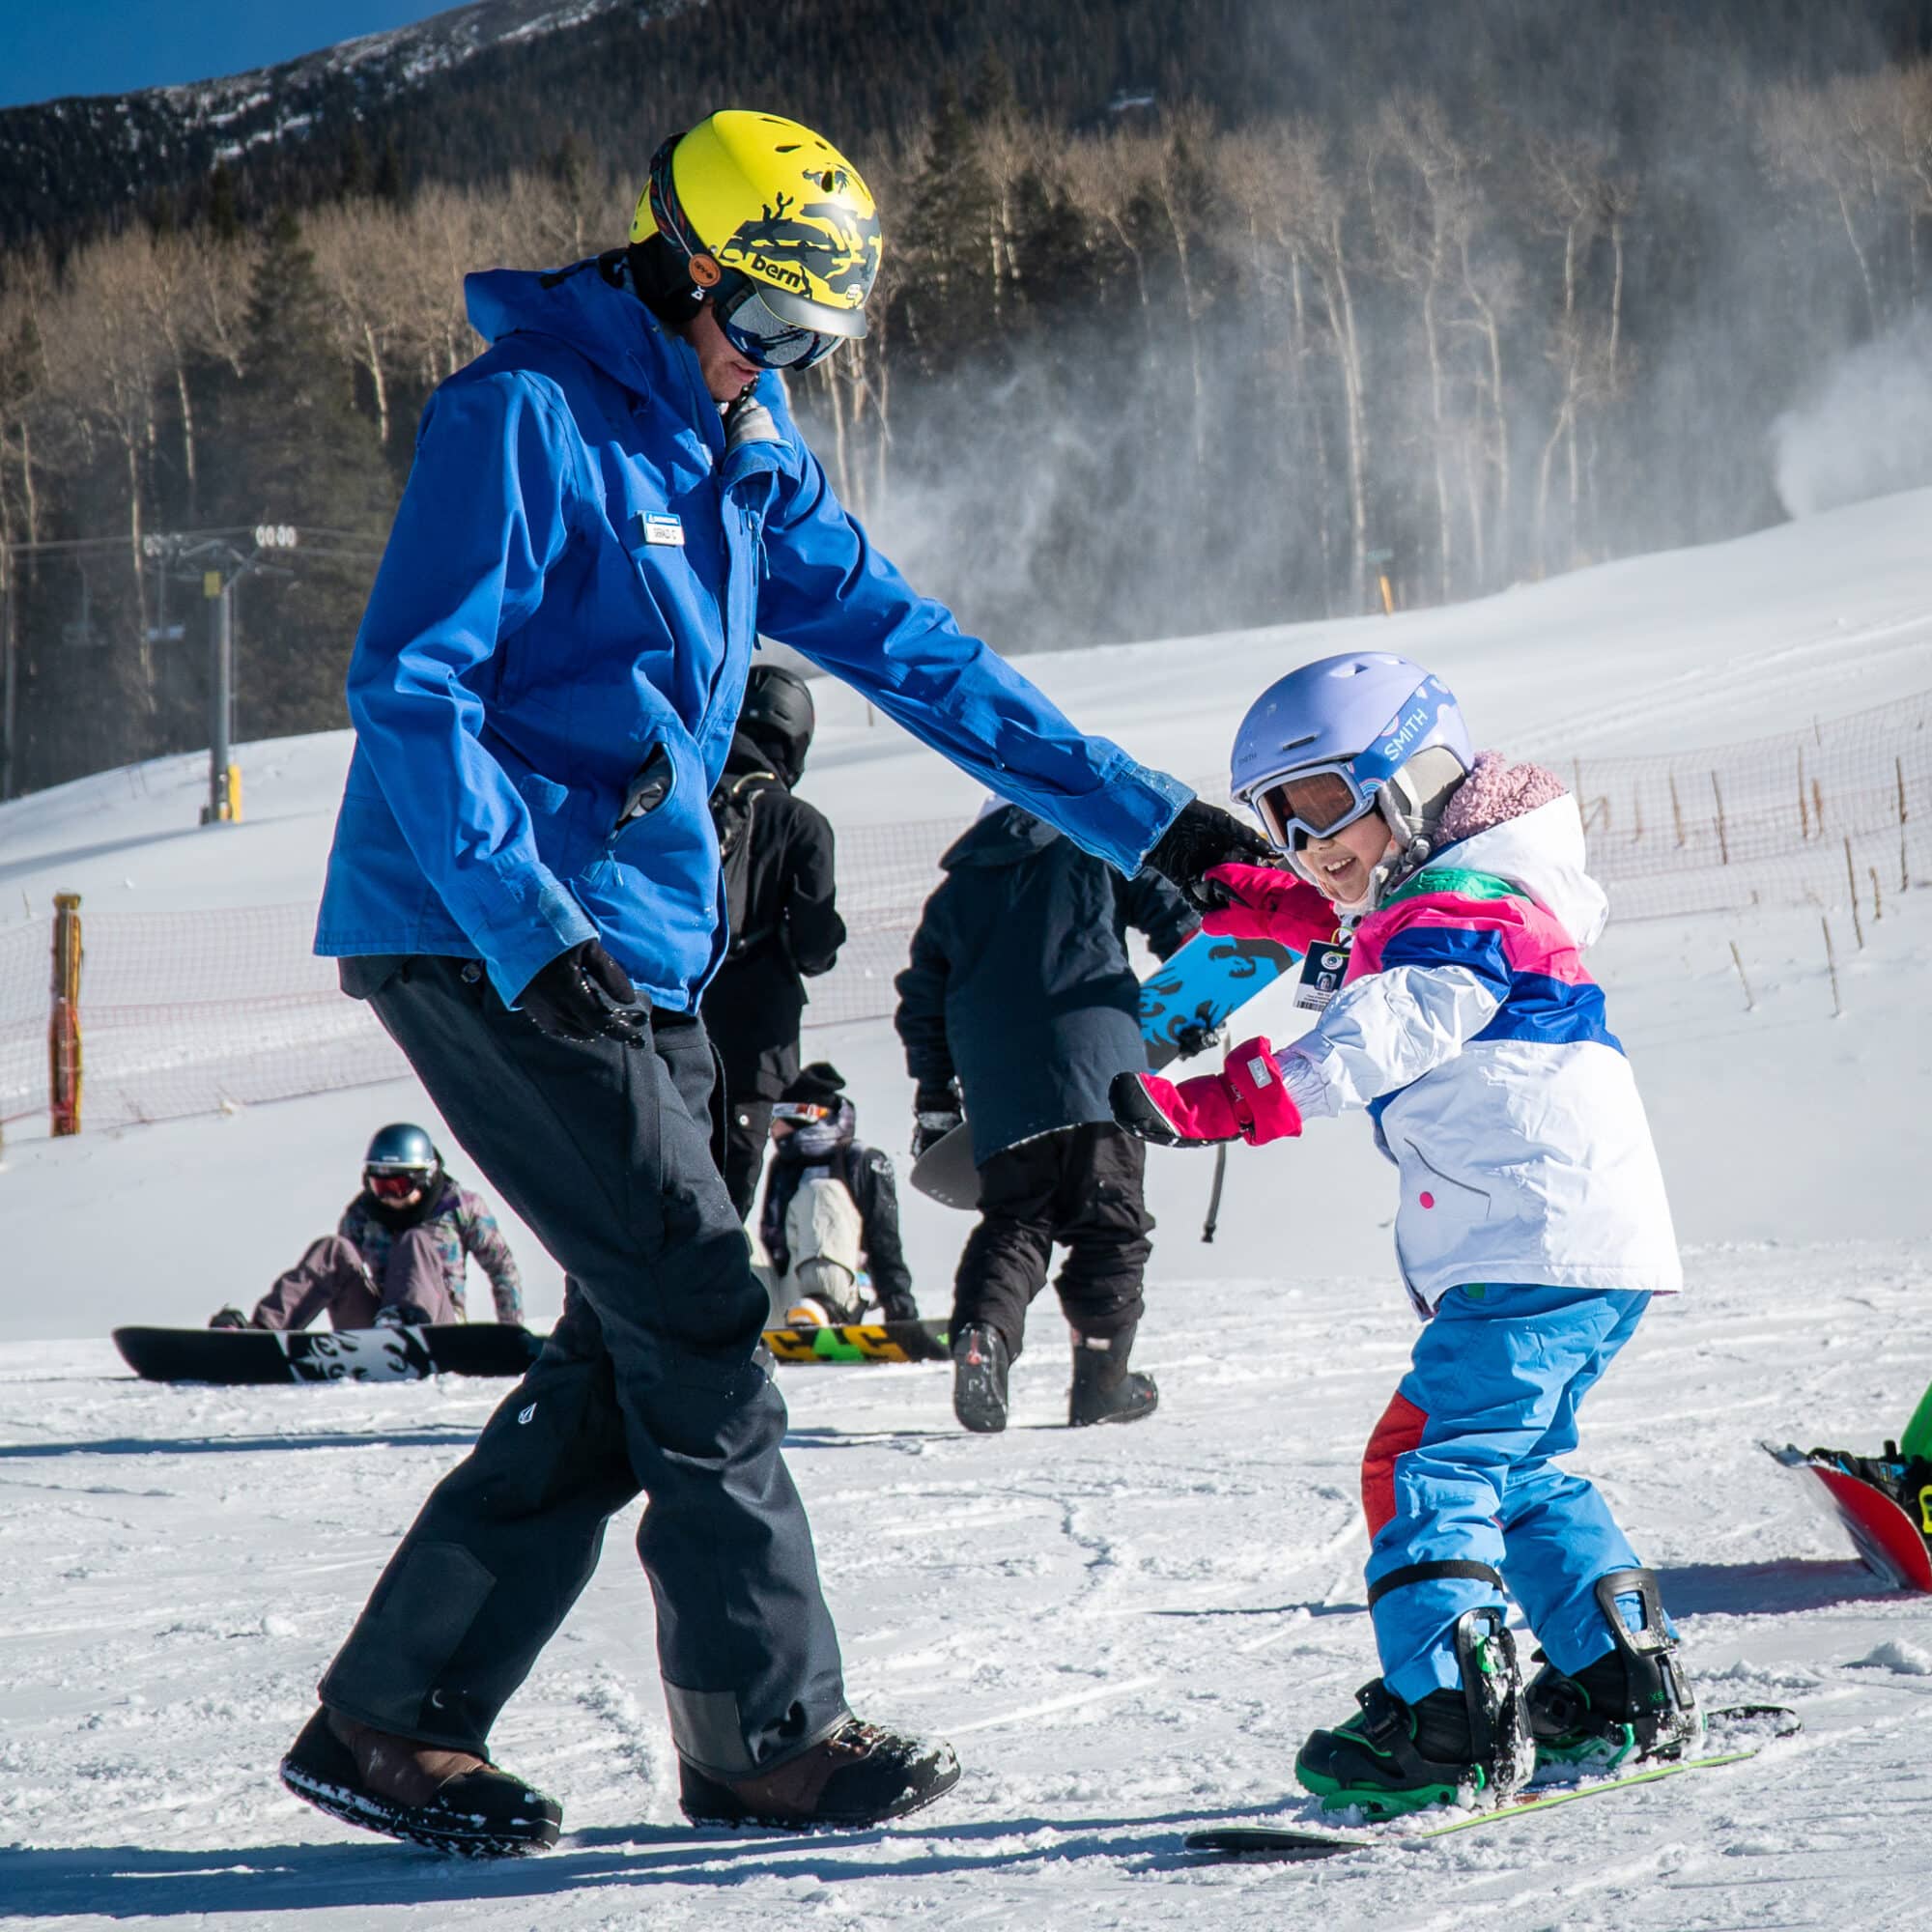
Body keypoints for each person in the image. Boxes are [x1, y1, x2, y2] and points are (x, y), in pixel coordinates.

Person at [284, 109, 1265, 1857]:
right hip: (476, 926)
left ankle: (388, 1721)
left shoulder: (744, 447)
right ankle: (762, 1739)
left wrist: (1156, 828)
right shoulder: (523, 421)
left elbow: (921, 659)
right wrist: (530, 925)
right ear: (692, 264)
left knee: (635, 1340)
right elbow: (410, 693)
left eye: (825, 348)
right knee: (703, 1310)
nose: (788, 371)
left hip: (635, 951)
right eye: (777, 330)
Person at [1112, 651, 1699, 1818]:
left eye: (1327, 800)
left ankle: (1447, 1720)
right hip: (1576, 1245)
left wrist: (1223, 1098)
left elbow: (1383, 1026)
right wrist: (1286, 920)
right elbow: (1359, 960)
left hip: (1530, 1244)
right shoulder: (1466, 896)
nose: (1309, 837)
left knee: (1419, 1460)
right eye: (1281, 821)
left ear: (1413, 774)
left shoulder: (1459, 910)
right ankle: (1618, 1681)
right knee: (1518, 1465)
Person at [895, 801, 1198, 1435]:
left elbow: (923, 1004)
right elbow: (1176, 915)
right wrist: (1197, 996)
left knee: (1017, 1223)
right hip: (1099, 1070)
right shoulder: (1093, 844)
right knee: (1109, 1225)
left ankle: (983, 1339)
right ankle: (1101, 1384)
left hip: (1000, 1095)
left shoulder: (952, 898)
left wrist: (934, 1099)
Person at [700, 665, 845, 1220]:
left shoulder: (679, 804)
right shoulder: (800, 824)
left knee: (648, 1190)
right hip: (757, 1041)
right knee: (724, 1206)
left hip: (665, 1029)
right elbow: (814, 949)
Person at [210, 1124, 524, 1333]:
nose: (386, 1196)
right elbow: (336, 1274)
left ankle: (405, 1321)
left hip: (437, 1329)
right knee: (333, 1249)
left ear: (424, 1178)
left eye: (397, 1185)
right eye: (378, 1184)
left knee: (415, 1239)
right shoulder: (363, 1213)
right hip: (373, 1328)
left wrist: (511, 1335)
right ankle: (263, 1333)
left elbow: (501, 1268)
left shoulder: (460, 1206)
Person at [758, 1063, 915, 1327]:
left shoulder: (860, 1159)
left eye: (776, 1118)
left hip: (845, 1290)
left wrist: (900, 1311)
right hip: (789, 1299)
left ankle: (823, 1305)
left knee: (820, 1191)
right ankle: (729, 1324)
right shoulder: (782, 1166)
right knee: (732, 1235)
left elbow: (884, 1240)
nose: (771, 1128)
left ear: (802, 1115)